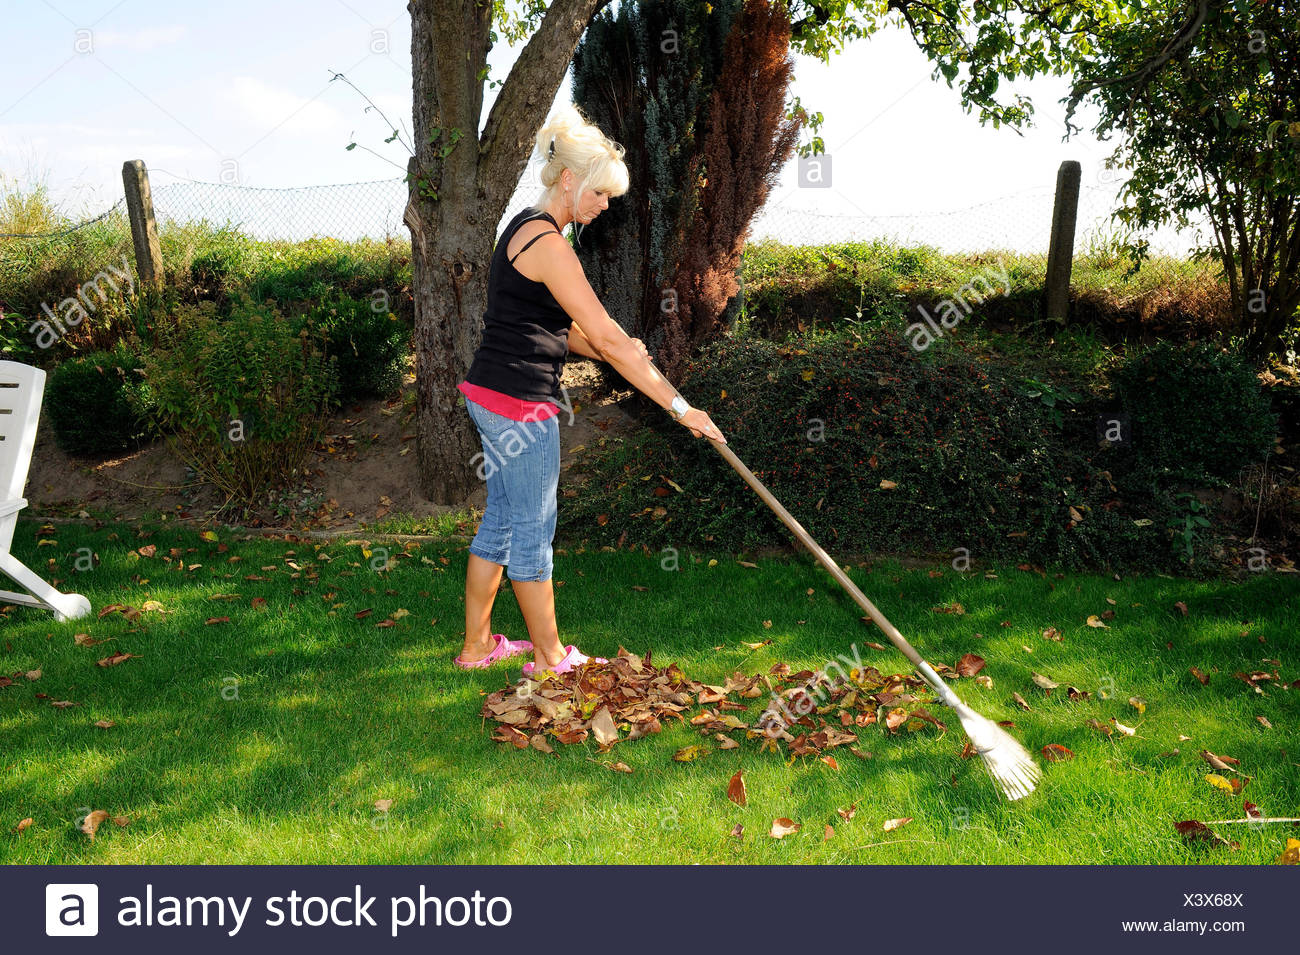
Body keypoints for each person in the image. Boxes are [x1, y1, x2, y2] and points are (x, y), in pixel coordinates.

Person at [454, 103, 727, 677]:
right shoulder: (551, 244)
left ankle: (477, 648)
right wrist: (681, 407)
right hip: (522, 407)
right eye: (601, 194)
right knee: (533, 530)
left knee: (501, 521)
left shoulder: (524, 228)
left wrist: (613, 344)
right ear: (571, 180)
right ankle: (551, 659)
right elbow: (603, 337)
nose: (605, 207)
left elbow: (555, 328)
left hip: (489, 393)